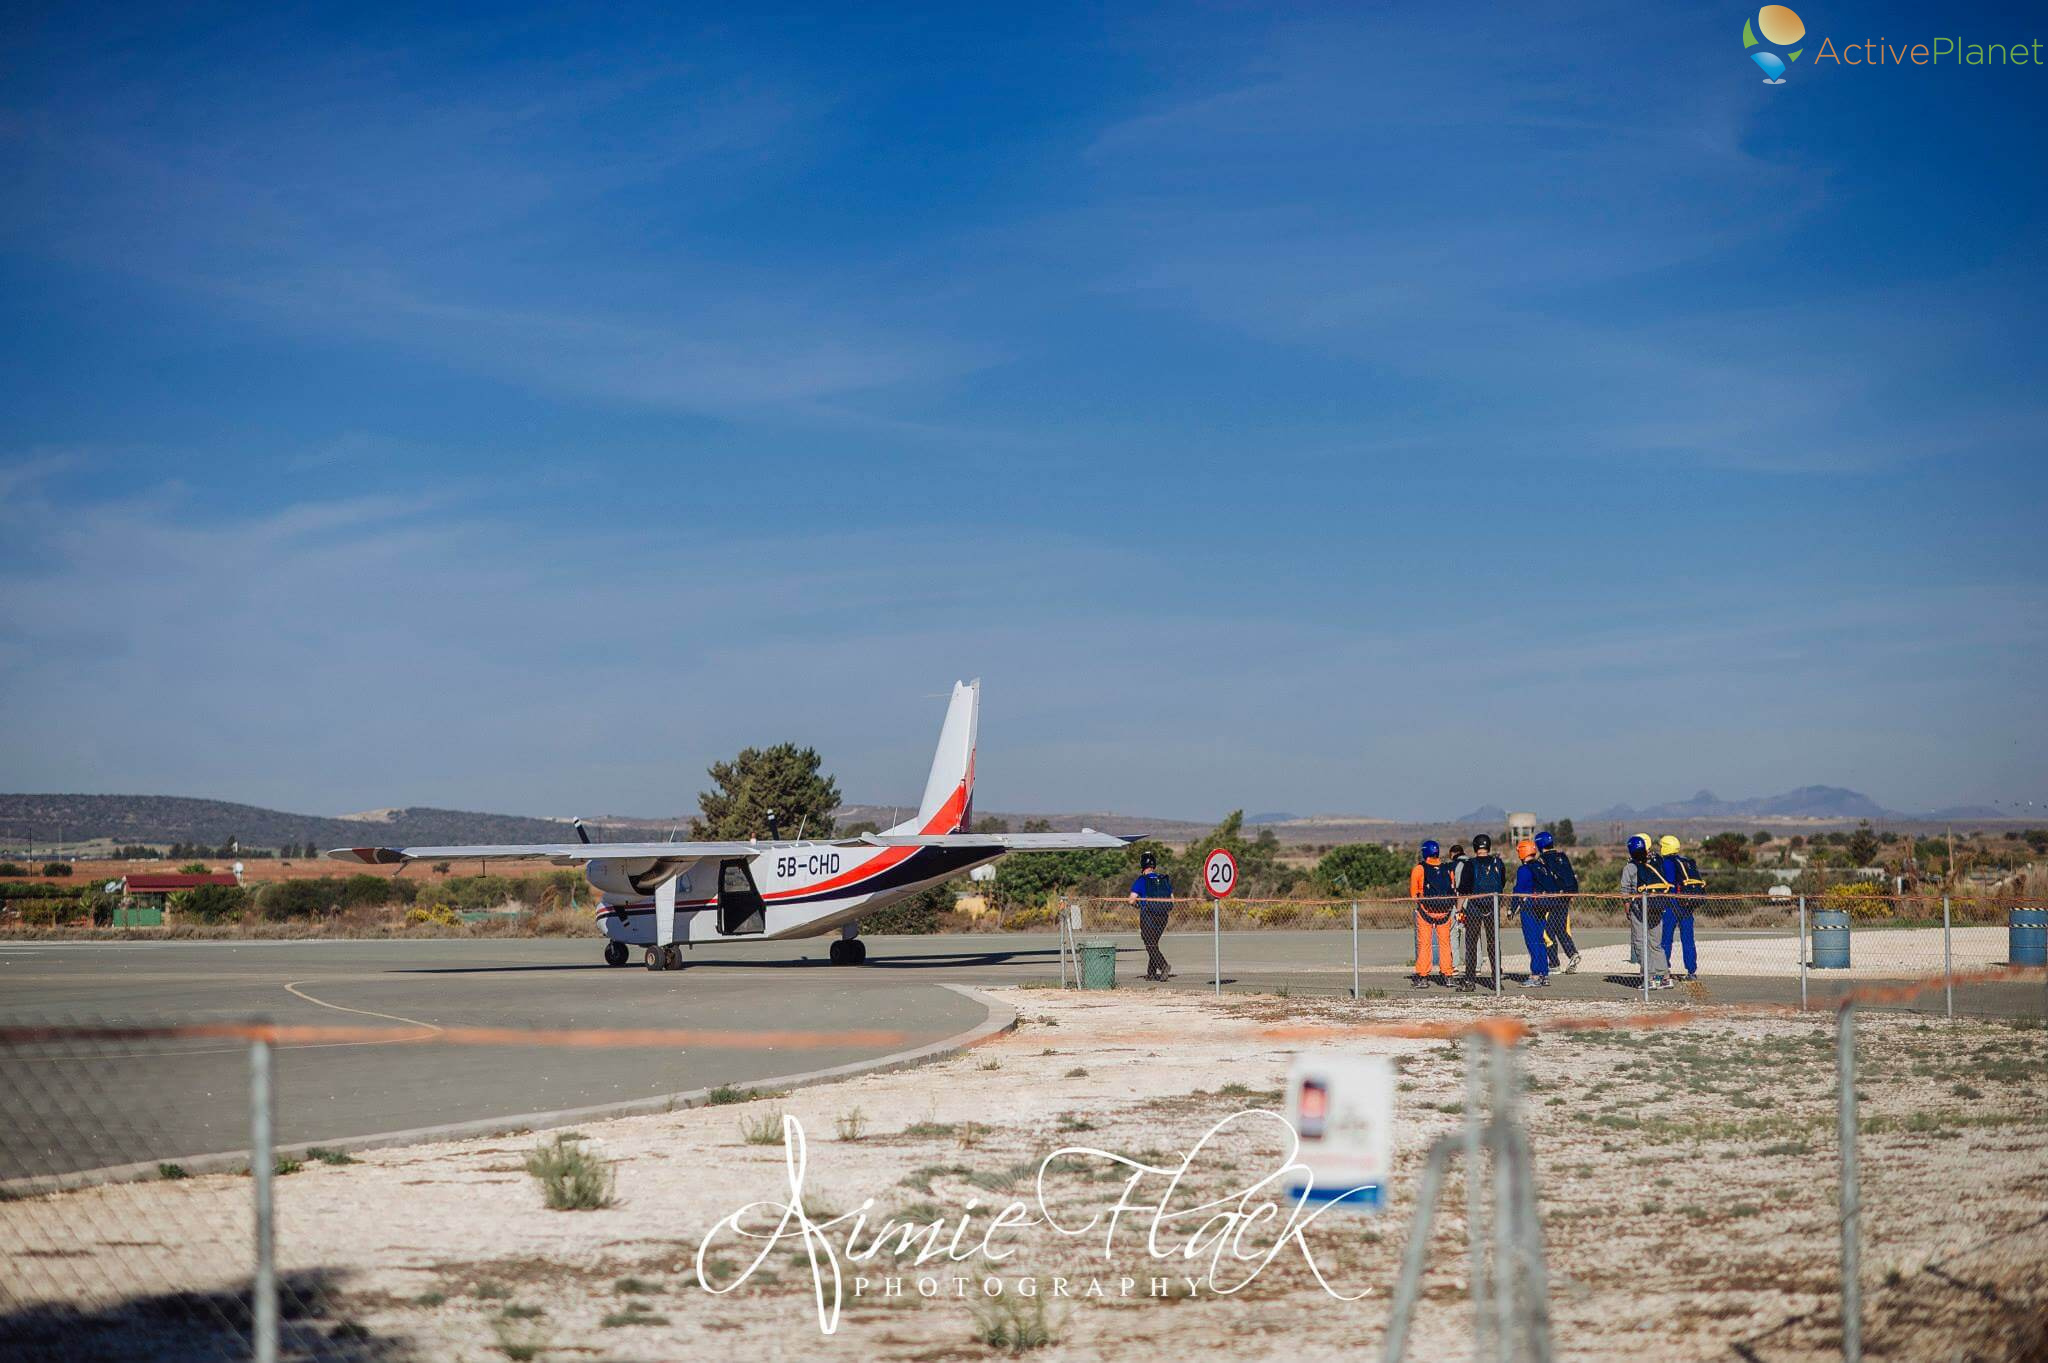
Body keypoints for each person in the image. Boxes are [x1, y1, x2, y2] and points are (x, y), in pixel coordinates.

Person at [1621, 835, 1675, 989]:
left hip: (1639, 907)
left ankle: (1649, 977)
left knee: (1640, 943)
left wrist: (1627, 910)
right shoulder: (1657, 860)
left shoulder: (1630, 867)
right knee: (1655, 944)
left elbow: (1625, 890)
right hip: (1657, 905)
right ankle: (1664, 977)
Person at [1455, 833, 1506, 991]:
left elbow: (1463, 890)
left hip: (1475, 906)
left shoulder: (1470, 864)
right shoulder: (1498, 862)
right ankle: (1496, 979)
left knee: (1471, 944)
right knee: (1493, 943)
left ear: (1475, 847)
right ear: (1488, 847)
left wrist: (1458, 910)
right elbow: (1502, 883)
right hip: (1493, 905)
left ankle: (1470, 980)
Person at [1658, 835, 1707, 981]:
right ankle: (1691, 971)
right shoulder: (1685, 862)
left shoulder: (1666, 863)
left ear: (1666, 847)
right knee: (1688, 939)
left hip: (1672, 905)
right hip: (1687, 906)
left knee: (1666, 939)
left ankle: (1663, 969)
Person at [1409, 839, 1456, 988]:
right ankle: (1448, 975)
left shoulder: (1419, 869)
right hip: (1445, 912)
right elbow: (1452, 889)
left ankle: (1423, 976)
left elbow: (1413, 894)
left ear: (1424, 852)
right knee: (1445, 944)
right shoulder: (1447, 868)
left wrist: (1422, 904)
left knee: (1425, 944)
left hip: (1425, 912)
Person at [1535, 830, 1582, 972]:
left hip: (1551, 900)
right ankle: (1572, 953)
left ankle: (1554, 964)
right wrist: (1572, 893)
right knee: (1561, 928)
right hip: (1565, 898)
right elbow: (1571, 876)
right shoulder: (1562, 856)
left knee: (1547, 932)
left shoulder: (1542, 860)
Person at [1511, 839, 1556, 987]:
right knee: (1540, 940)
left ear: (1522, 851)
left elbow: (1518, 890)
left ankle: (1535, 975)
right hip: (1543, 907)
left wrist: (1512, 908)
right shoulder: (1541, 866)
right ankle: (1544, 974)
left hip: (1529, 908)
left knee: (1532, 941)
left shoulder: (1524, 870)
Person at [1128, 850, 1174, 981]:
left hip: (1148, 916)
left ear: (1142, 865)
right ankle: (1151, 973)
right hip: (1163, 917)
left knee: (1150, 945)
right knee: (1153, 944)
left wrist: (1137, 905)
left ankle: (1164, 966)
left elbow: (1131, 900)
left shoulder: (1142, 880)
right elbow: (1172, 899)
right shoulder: (1163, 879)